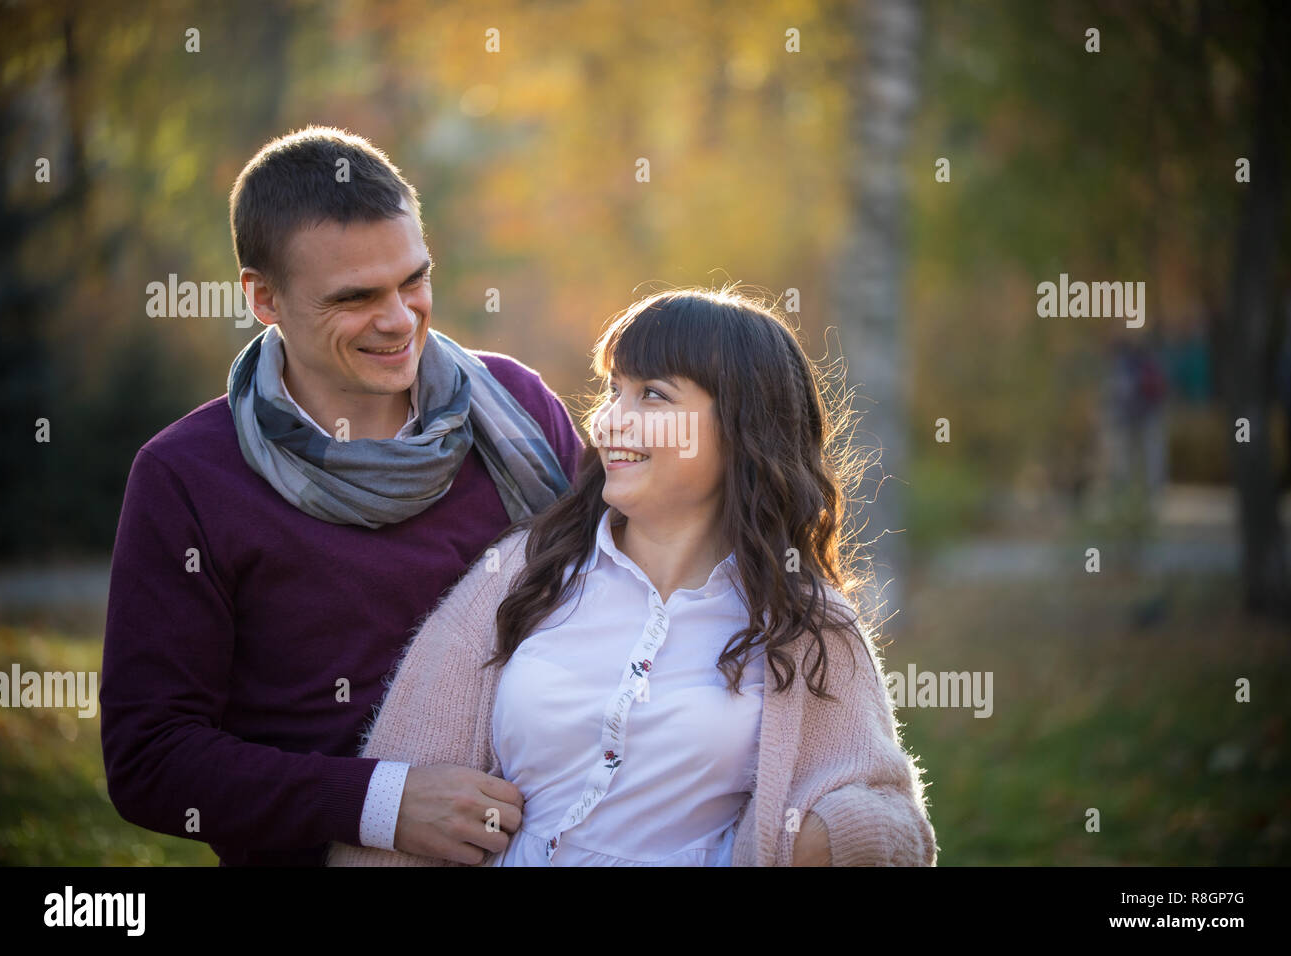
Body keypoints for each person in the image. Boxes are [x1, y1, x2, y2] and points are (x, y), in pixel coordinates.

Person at [99, 127, 583, 866]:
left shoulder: (515, 406)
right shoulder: (187, 476)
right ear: (263, 299)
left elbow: (628, 597)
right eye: (355, 297)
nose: (398, 319)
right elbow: (152, 760)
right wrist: (378, 804)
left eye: (413, 280)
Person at [328, 289, 938, 866]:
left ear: (741, 425)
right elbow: (408, 789)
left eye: (652, 395)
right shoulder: (521, 571)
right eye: (613, 390)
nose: (609, 422)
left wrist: (826, 838)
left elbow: (890, 813)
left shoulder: (806, 619)